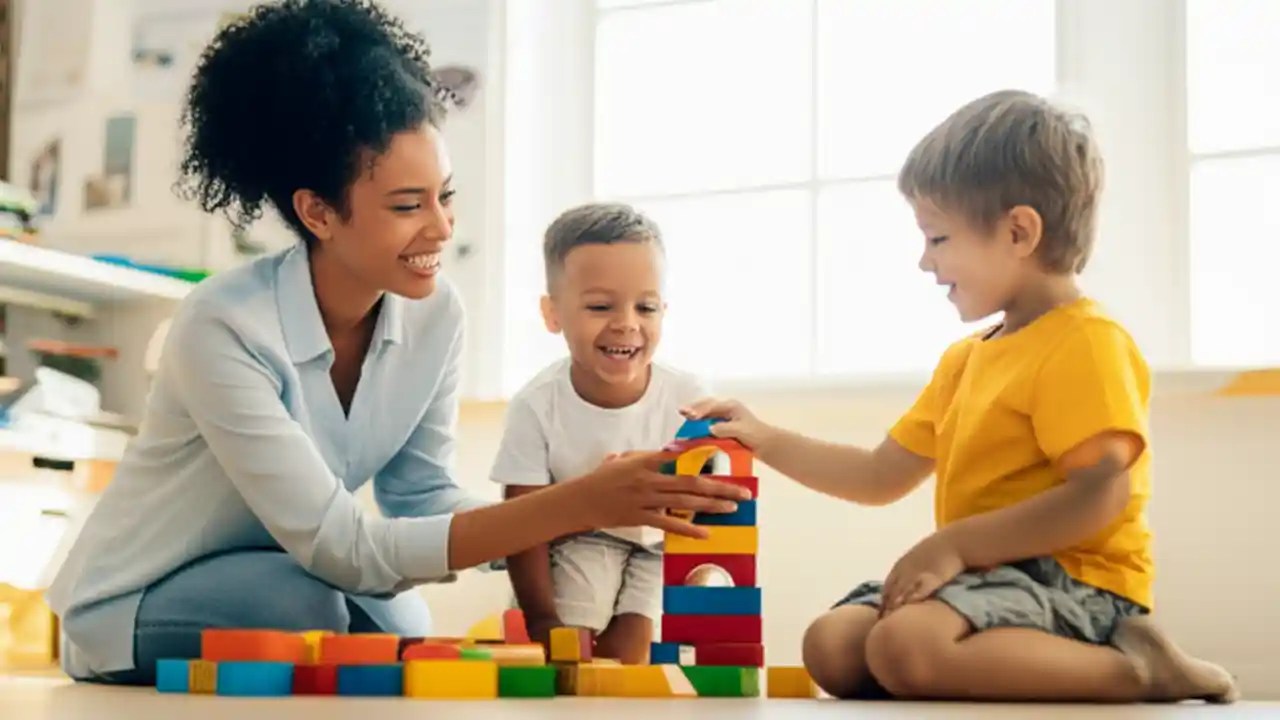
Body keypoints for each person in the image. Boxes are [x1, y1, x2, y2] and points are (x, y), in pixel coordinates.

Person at [43, 0, 747, 685]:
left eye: (445, 194)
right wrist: (576, 505)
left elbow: (420, 492)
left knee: (403, 622)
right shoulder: (221, 326)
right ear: (317, 211)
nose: (441, 228)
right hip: (141, 596)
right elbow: (340, 547)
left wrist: (574, 514)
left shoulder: (435, 312)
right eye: (408, 206)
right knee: (307, 608)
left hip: (298, 568)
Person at [683, 90, 1239, 704]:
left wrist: (954, 545)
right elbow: (879, 475)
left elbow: (1100, 493)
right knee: (832, 646)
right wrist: (764, 437)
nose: (925, 261)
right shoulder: (967, 360)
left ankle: (1138, 669)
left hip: (1077, 584)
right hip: (982, 580)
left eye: (938, 238)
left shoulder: (1086, 341)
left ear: (1018, 232)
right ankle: (954, 665)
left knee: (905, 649)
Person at [491, 203, 709, 664]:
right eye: (600, 306)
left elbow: (715, 492)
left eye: (645, 306)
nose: (627, 322)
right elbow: (520, 524)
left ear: (663, 312)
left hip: (662, 545)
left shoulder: (689, 396)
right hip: (578, 539)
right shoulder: (537, 404)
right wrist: (541, 619)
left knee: (630, 651)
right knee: (574, 653)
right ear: (553, 315)